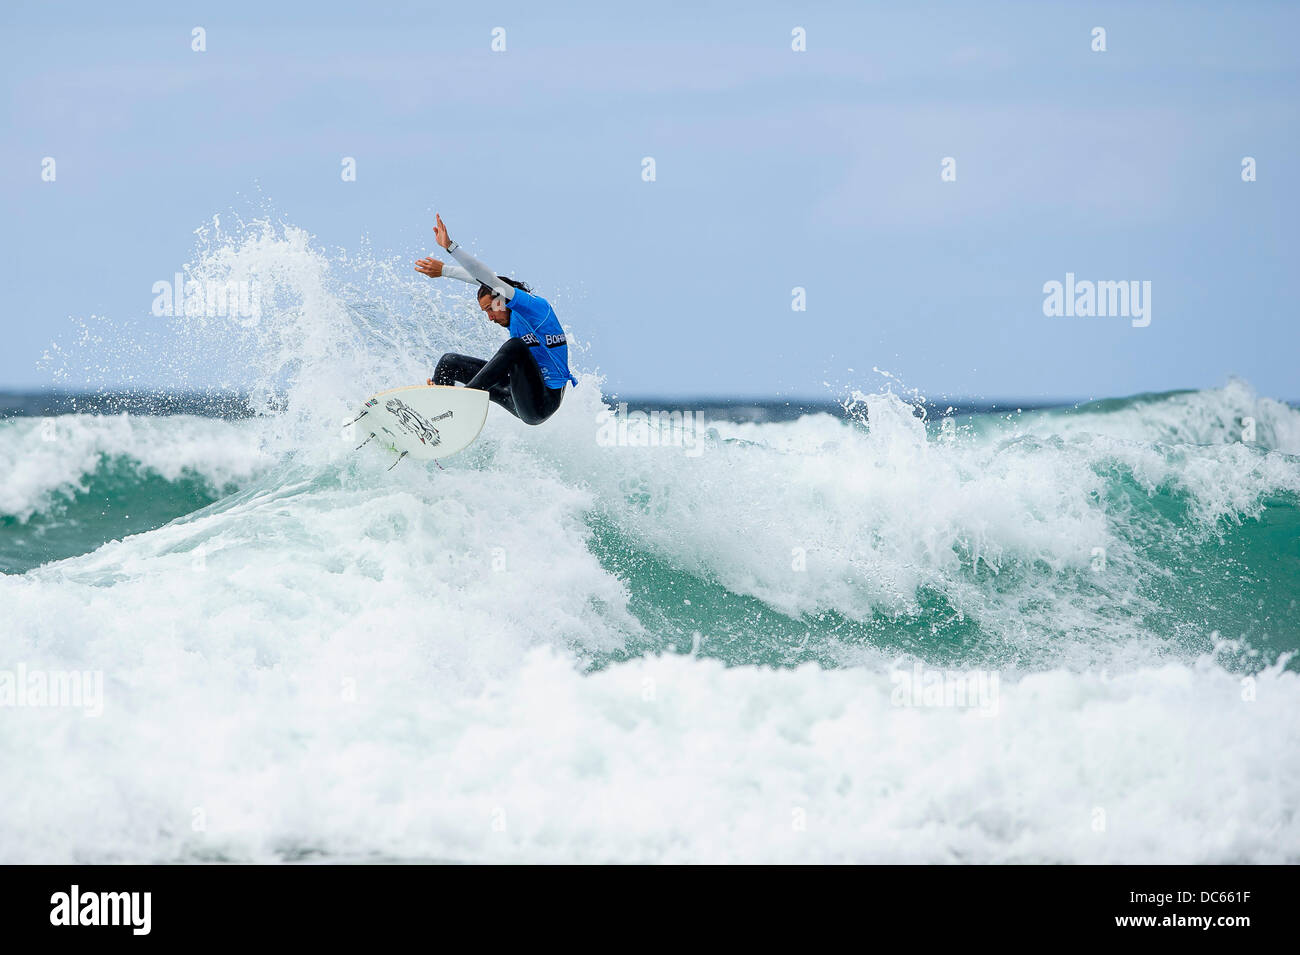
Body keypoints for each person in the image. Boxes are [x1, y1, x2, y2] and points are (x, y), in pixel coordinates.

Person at [414, 214, 576, 425]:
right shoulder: (507, 307)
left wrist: (451, 249)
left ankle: (458, 403)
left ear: (502, 298)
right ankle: (439, 417)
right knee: (449, 362)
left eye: (491, 308)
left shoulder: (533, 308)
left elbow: (489, 279)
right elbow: (483, 281)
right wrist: (444, 271)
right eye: (486, 312)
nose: (490, 317)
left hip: (541, 404)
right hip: (514, 393)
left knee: (515, 347)